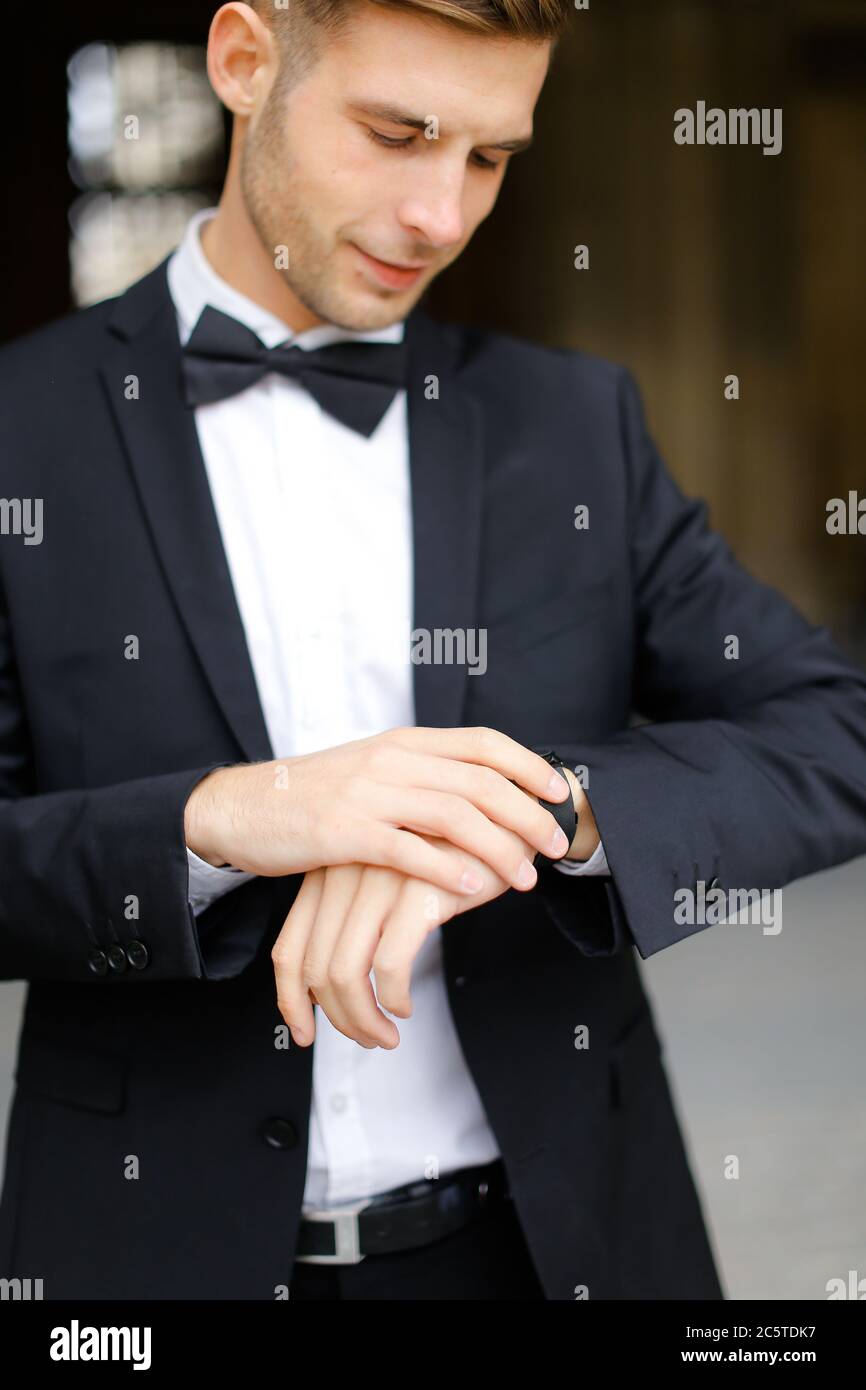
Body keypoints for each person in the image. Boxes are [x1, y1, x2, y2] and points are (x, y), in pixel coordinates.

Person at [1, 0, 865, 1302]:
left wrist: (533, 812)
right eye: (395, 134)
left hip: (555, 1242)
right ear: (243, 63)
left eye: (488, 157)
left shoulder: (576, 427)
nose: (441, 216)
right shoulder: (20, 426)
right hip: (150, 1259)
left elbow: (834, 725)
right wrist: (224, 817)